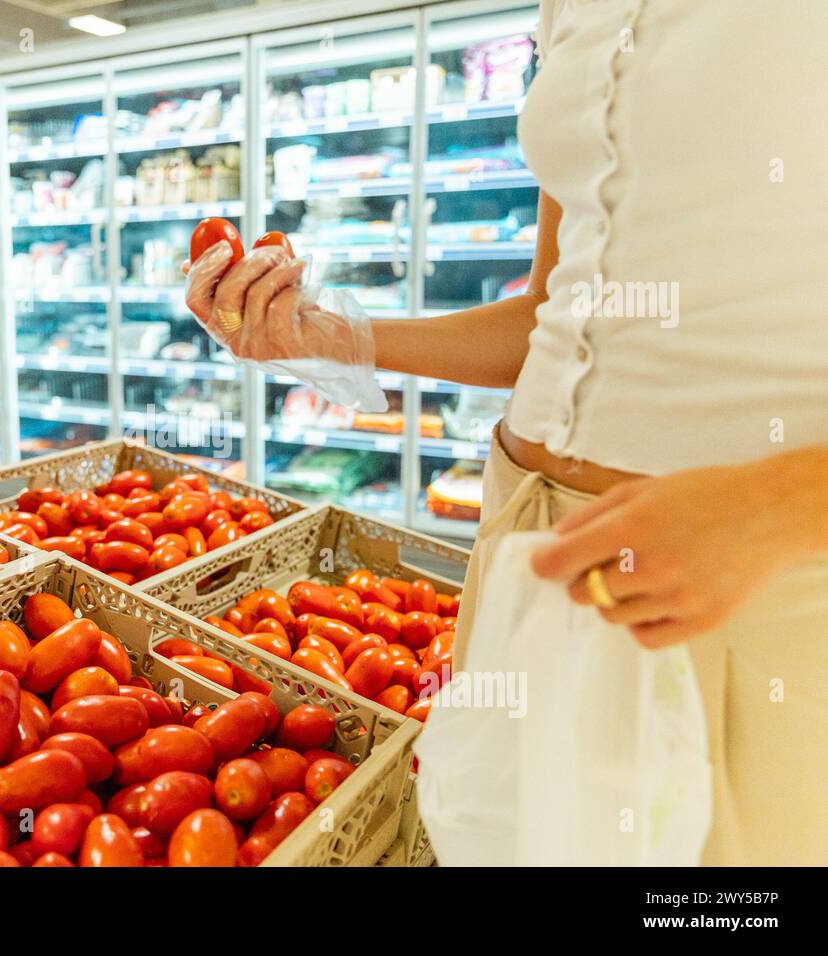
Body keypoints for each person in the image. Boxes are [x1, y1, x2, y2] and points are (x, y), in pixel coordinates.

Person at [185, 0, 828, 866]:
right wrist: (329, 336)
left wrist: (777, 507)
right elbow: (550, 315)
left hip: (756, 575)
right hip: (529, 534)